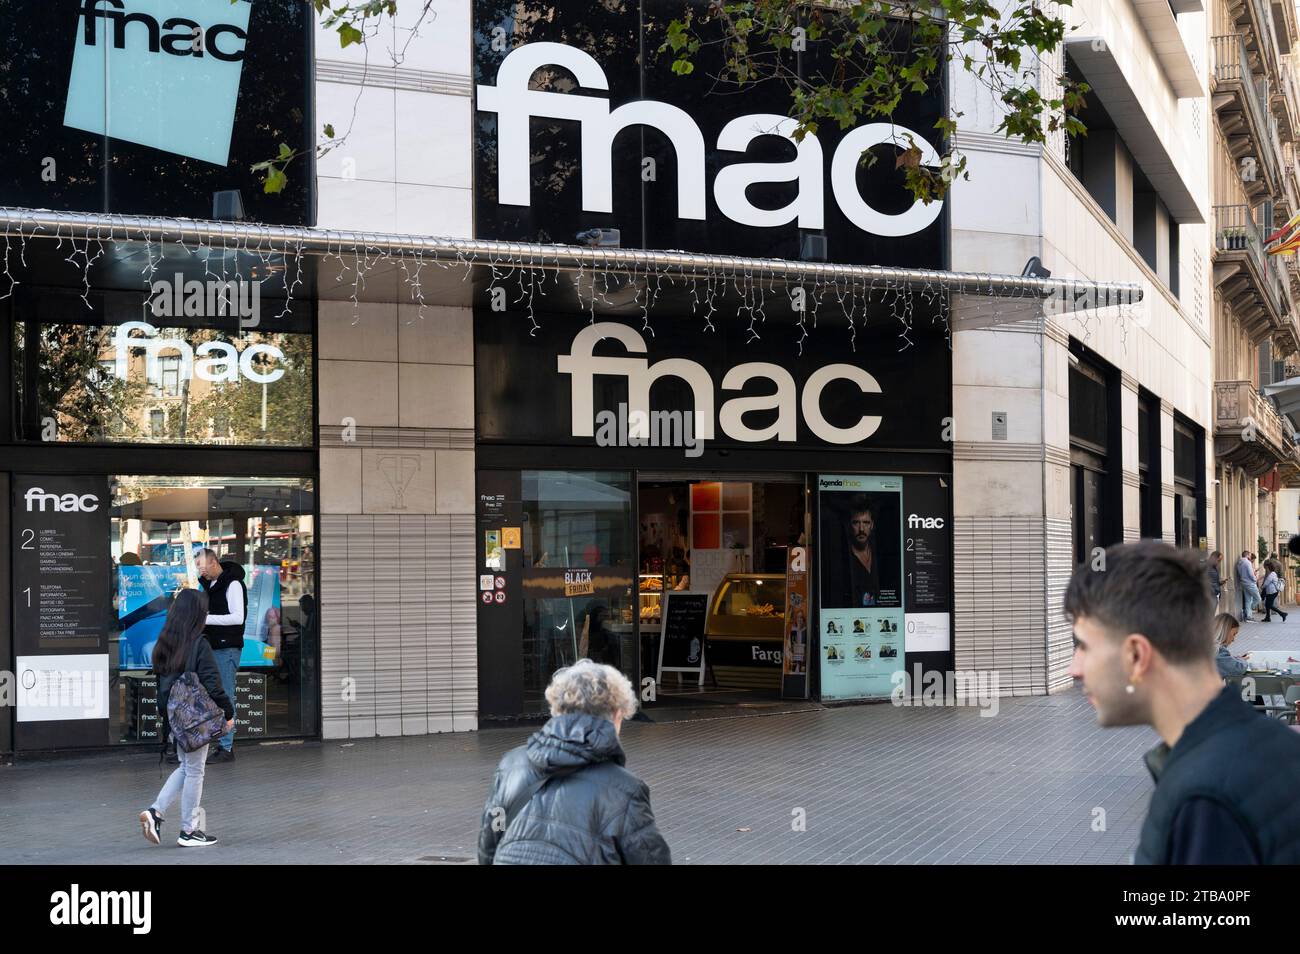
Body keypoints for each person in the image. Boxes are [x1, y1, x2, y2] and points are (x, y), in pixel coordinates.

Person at [1066, 540, 1300, 863]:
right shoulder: (1266, 746)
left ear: (1137, 655)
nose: (1074, 669)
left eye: (1085, 647)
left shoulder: (1204, 799)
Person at [478, 659, 671, 865]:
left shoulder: (511, 764)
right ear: (616, 715)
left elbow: (488, 846)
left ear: (557, 709)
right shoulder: (626, 789)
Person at [139, 589, 234, 849]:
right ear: (196, 615)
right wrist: (228, 712)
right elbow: (213, 684)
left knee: (186, 767)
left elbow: (162, 687)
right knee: (195, 771)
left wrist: (167, 721)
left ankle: (157, 813)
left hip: (175, 718)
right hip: (195, 720)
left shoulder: (166, 642)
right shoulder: (198, 644)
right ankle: (188, 830)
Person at [196, 548, 246, 763]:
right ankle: (217, 743)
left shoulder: (233, 584)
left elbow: (238, 617)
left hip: (227, 648)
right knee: (211, 694)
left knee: (225, 693)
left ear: (214, 562)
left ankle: (226, 748)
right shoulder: (211, 584)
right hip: (212, 646)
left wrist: (205, 619)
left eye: (202, 567)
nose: (201, 572)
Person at [1211, 613, 1248, 679]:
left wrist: (1234, 659)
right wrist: (1242, 660)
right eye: (1234, 634)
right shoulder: (1218, 651)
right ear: (1225, 631)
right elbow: (1238, 668)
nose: (1233, 639)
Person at [1235, 550, 1261, 620]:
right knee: (1258, 598)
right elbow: (1250, 574)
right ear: (1247, 555)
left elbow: (1241, 573)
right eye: (1249, 555)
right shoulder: (1247, 562)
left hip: (1243, 582)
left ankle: (1248, 616)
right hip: (1250, 583)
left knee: (1248, 600)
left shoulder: (1239, 563)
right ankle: (1248, 611)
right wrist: (1255, 578)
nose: (1250, 556)